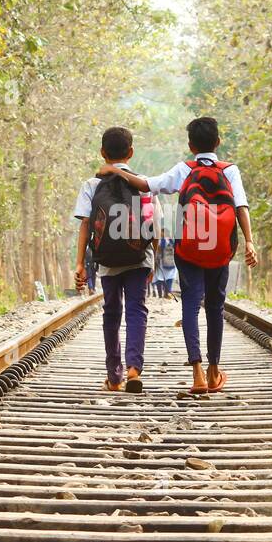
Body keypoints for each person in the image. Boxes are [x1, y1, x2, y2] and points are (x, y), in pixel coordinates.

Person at [98, 117, 257, 394]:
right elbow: (241, 206)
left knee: (190, 306)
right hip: (220, 250)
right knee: (216, 308)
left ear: (190, 145)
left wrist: (118, 172)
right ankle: (214, 370)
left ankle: (196, 372)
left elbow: (148, 185)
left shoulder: (184, 169)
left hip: (189, 248)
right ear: (218, 142)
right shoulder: (230, 171)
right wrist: (250, 242)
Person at [73, 127, 153, 393]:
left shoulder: (92, 185)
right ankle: (134, 370)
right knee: (136, 311)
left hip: (107, 260)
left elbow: (86, 224)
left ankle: (114, 376)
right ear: (131, 152)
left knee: (112, 313)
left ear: (102, 153)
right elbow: (154, 225)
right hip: (138, 259)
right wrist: (150, 259)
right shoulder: (142, 183)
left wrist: (80, 264)